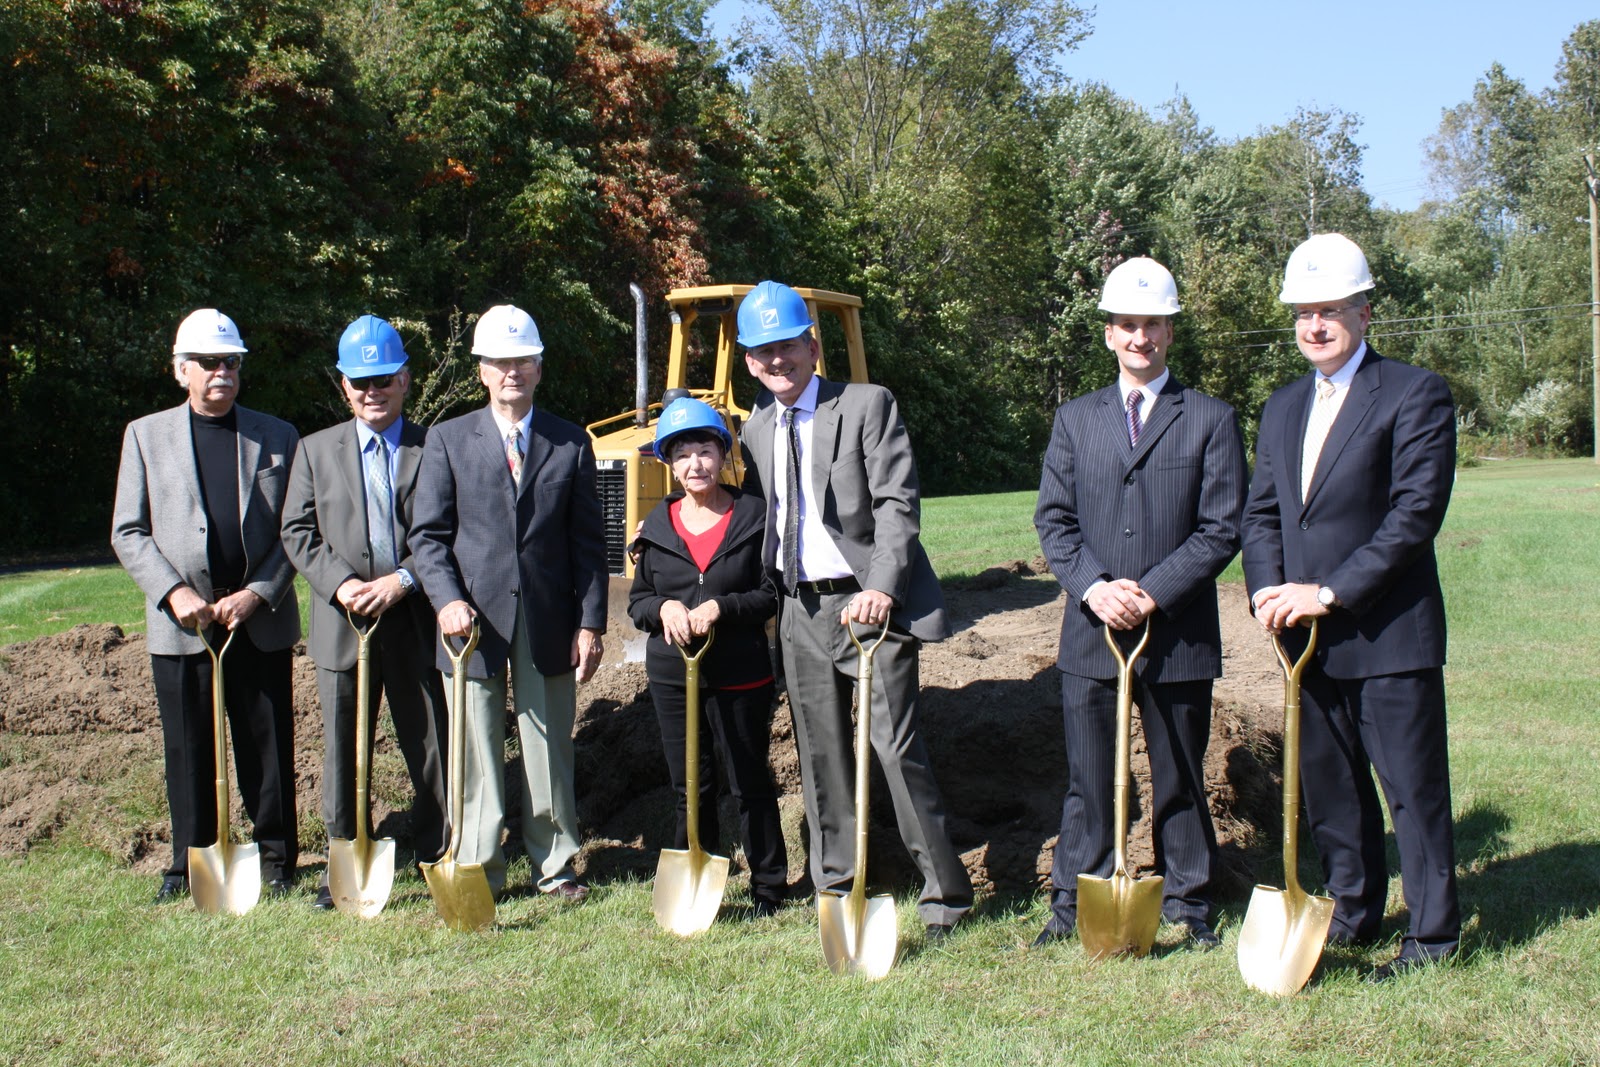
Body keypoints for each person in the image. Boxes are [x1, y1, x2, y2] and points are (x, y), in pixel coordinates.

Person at [1242, 232, 1460, 982]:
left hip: (1388, 632)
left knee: (1412, 791)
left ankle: (1433, 935)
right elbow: (1262, 514)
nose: (1316, 325)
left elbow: (1414, 515)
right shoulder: (1281, 407)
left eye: (1331, 309)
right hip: (1303, 641)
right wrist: (1266, 591)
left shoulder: (1413, 393)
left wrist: (1328, 592)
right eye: (1304, 312)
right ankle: (1355, 911)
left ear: (1365, 313)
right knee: (1332, 789)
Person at [736, 280, 972, 942]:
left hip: (868, 604)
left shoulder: (867, 405)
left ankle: (945, 897)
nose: (777, 360)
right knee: (820, 757)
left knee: (894, 749)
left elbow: (898, 502)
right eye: (763, 352)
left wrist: (883, 588)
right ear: (749, 362)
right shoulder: (755, 427)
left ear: (812, 347)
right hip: (797, 610)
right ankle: (837, 888)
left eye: (787, 345)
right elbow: (757, 518)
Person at [1032, 257, 1247, 951]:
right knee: (1089, 777)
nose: (1140, 337)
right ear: (1109, 333)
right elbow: (1054, 520)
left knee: (1180, 773)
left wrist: (1152, 591)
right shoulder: (1075, 420)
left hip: (1177, 632)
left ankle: (1187, 900)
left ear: (1170, 331)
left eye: (1153, 323)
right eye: (1127, 324)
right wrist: (1096, 587)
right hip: (1092, 630)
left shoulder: (1210, 418)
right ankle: (1074, 899)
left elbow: (1221, 526)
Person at [408, 303, 607, 900]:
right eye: (499, 362)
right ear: (482, 372)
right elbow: (428, 536)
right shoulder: (447, 440)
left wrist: (591, 624)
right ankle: (479, 868)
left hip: (549, 619)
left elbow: (588, 543)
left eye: (523, 360)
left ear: (539, 368)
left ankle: (557, 865)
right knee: (475, 749)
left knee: (549, 746)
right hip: (471, 622)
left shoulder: (569, 442)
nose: (511, 371)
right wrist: (446, 600)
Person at [111, 308, 301, 902]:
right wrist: (176, 593)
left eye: (231, 362)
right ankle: (187, 864)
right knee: (188, 747)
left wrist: (257, 593)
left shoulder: (278, 436)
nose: (222, 372)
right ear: (181, 370)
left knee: (267, 743)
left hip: (256, 619)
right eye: (209, 362)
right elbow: (128, 531)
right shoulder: (145, 436)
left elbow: (297, 530)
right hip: (183, 624)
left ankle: (276, 859)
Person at [281, 315, 451, 910]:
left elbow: (448, 528)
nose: (372, 391)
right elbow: (297, 531)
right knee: (343, 746)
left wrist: (404, 580)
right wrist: (343, 585)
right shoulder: (314, 450)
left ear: (404, 379)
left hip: (413, 619)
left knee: (429, 741)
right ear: (344, 386)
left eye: (383, 379)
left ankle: (437, 851)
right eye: (361, 382)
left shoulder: (435, 447)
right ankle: (345, 857)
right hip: (343, 623)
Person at [628, 397, 789, 916]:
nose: (695, 464)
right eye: (682, 455)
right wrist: (665, 607)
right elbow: (638, 602)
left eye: (704, 451)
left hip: (740, 671)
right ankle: (699, 879)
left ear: (722, 455)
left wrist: (722, 606)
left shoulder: (754, 517)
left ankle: (769, 886)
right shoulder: (657, 527)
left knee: (749, 780)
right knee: (690, 784)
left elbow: (771, 593)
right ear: (669, 465)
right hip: (674, 676)